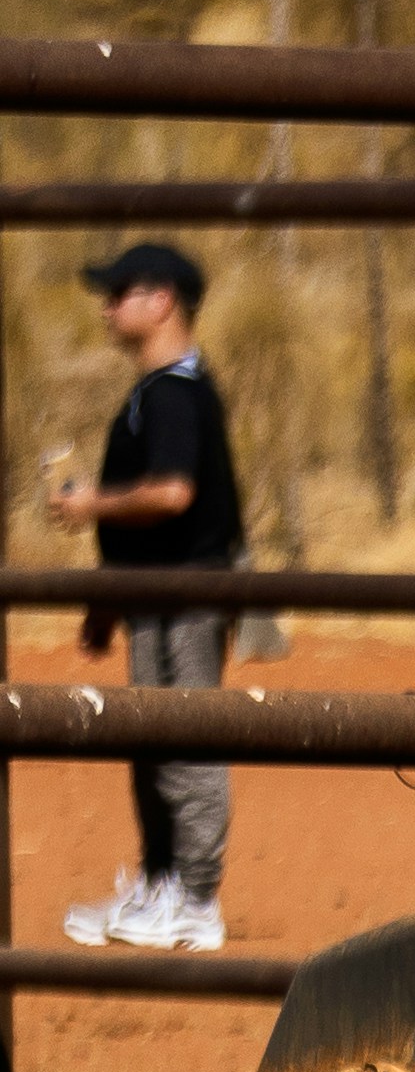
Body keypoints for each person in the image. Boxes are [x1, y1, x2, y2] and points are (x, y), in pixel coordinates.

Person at [41, 241, 246, 951]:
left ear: (162, 302)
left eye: (120, 290)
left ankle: (196, 898)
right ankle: (162, 883)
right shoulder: (154, 391)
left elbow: (171, 493)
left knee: (187, 743)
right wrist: (107, 598)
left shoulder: (178, 392)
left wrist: (89, 504)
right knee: (149, 744)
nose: (107, 305)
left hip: (189, 593)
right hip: (154, 596)